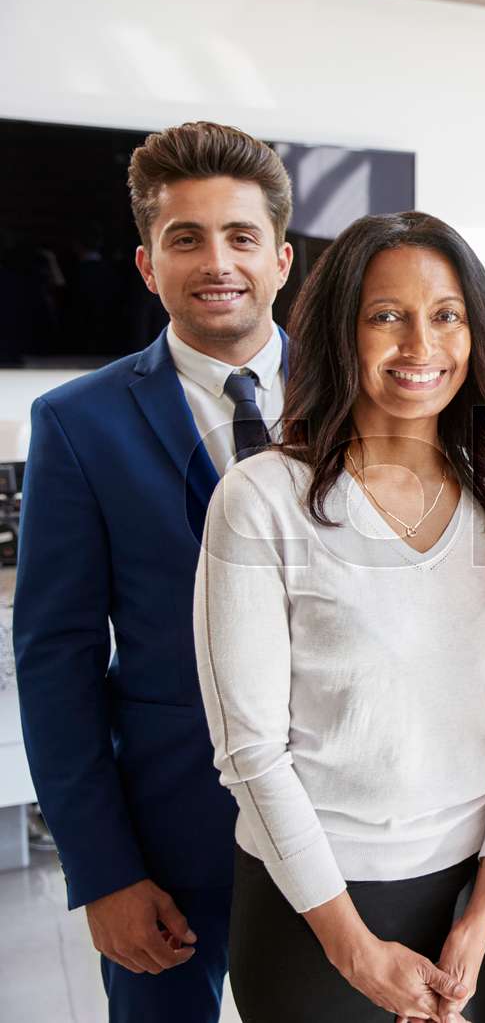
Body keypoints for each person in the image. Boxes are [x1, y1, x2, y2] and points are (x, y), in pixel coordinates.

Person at [194, 211, 485, 1022]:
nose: (419, 345)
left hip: (474, 902)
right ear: (340, 333)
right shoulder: (261, 500)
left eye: (446, 316)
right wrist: (353, 949)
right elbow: (249, 750)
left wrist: (482, 911)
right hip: (311, 906)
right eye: (386, 316)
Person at [13, 120, 294, 1023]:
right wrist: (103, 870)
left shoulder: (366, 400)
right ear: (146, 264)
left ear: (281, 258)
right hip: (168, 833)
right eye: (186, 238)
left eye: (241, 236)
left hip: (355, 823)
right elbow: (55, 662)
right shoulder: (76, 423)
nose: (218, 261)